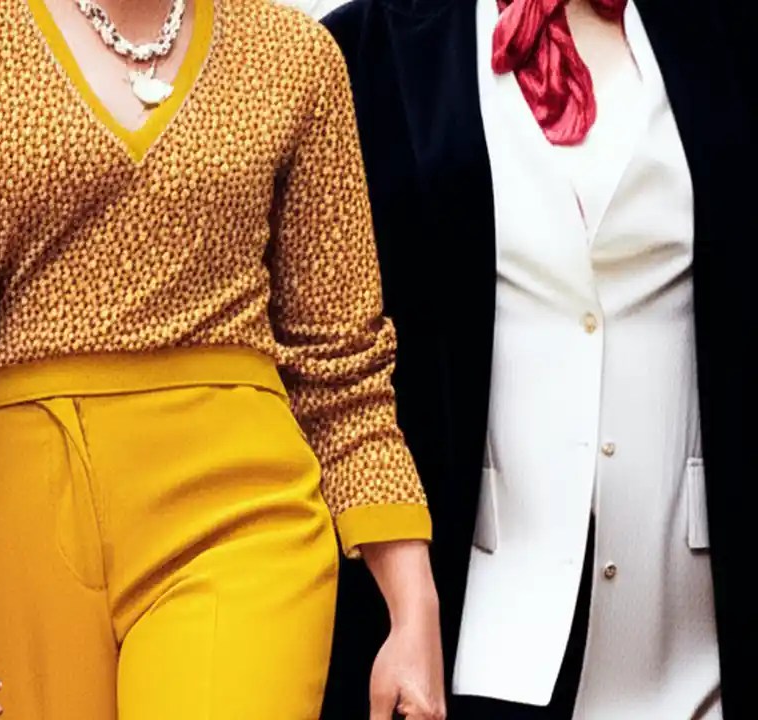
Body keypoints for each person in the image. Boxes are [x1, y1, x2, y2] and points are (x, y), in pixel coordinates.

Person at [0, 0, 447, 717]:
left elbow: (342, 363)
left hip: (239, 511)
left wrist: (413, 607)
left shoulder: (295, 54)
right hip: (2, 514)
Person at [321, 0, 755, 717]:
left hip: (690, 636)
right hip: (482, 633)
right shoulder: (362, 50)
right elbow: (335, 362)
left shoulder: (728, 35)